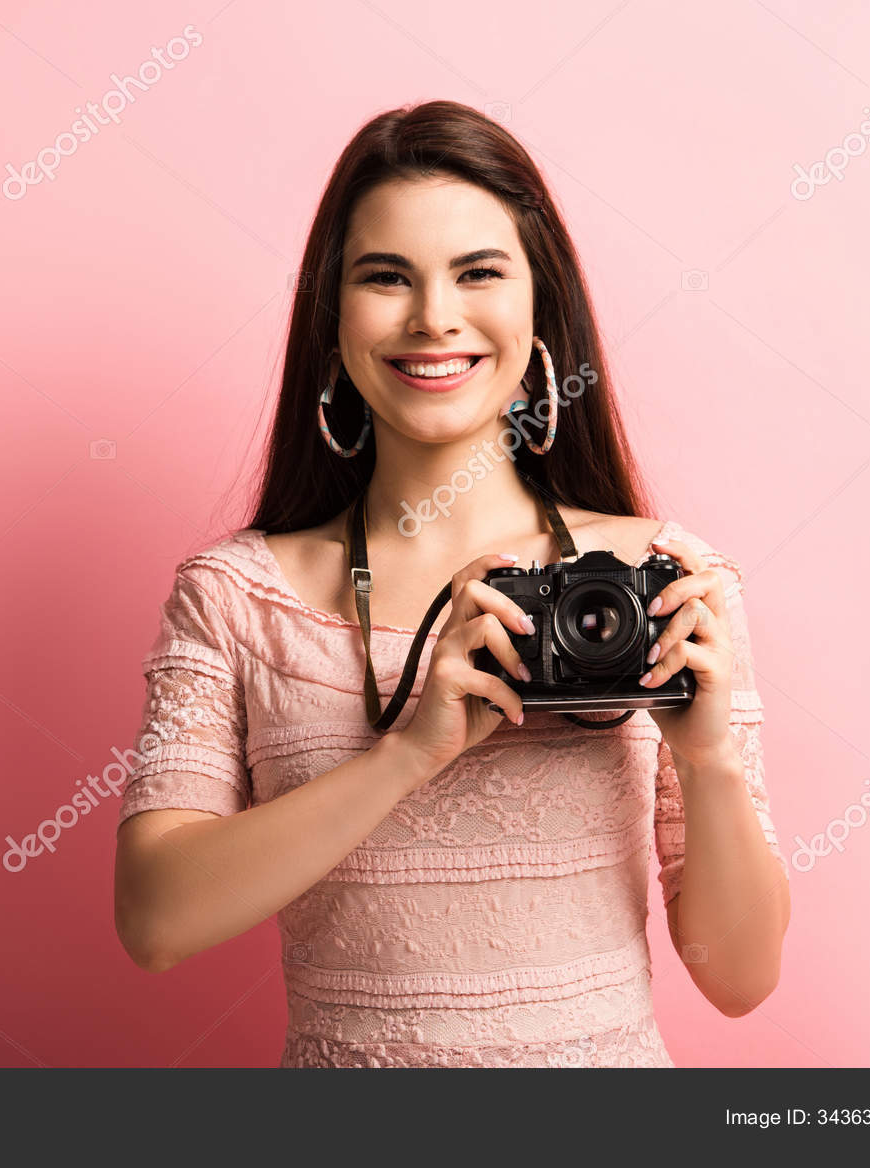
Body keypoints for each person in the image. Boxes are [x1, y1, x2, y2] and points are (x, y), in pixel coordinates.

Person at [114, 100, 790, 1067]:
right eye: (386, 277)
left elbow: (740, 976)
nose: (435, 317)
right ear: (333, 320)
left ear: (537, 309)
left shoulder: (665, 584)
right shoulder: (235, 598)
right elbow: (155, 921)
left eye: (479, 273)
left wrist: (710, 758)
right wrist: (408, 752)